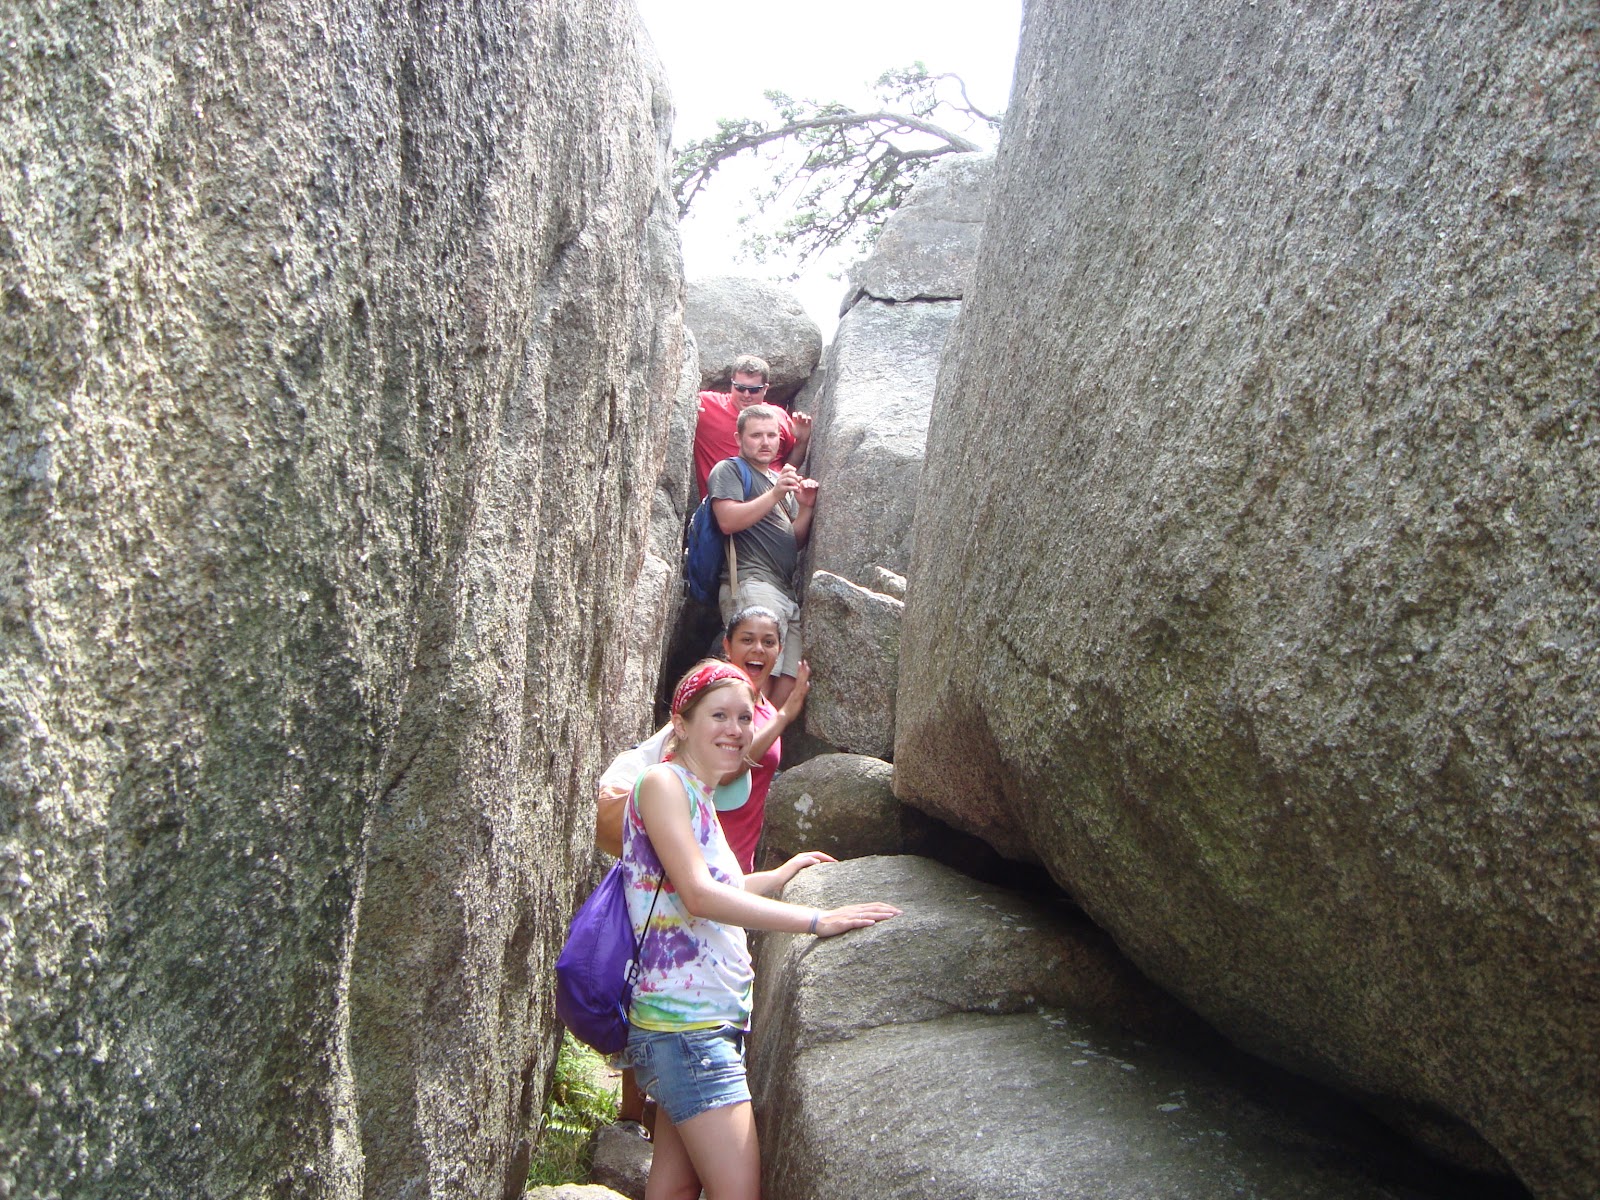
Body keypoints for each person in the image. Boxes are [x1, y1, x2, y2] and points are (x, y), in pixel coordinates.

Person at [621, 661, 899, 1200]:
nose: (736, 729)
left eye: (745, 718)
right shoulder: (662, 784)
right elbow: (699, 895)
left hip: (700, 1021)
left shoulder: (697, 793)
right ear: (680, 723)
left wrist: (779, 875)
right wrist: (816, 920)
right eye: (719, 716)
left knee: (675, 1188)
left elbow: (704, 890)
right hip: (687, 1027)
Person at [708, 405, 816, 707]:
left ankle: (761, 737)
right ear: (739, 438)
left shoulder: (775, 479)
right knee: (756, 675)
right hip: (751, 583)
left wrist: (805, 507)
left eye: (771, 435)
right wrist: (776, 494)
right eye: (756, 435)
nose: (765, 442)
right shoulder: (729, 470)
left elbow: (792, 541)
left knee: (789, 678)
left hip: (784, 592)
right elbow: (727, 520)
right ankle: (739, 734)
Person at [693, 354, 812, 499]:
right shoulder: (706, 405)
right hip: (725, 500)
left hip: (774, 501)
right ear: (732, 384)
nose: (746, 395)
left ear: (765, 389)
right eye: (740, 388)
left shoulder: (778, 416)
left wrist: (802, 441)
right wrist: (688, 406)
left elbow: (788, 465)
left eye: (754, 390)